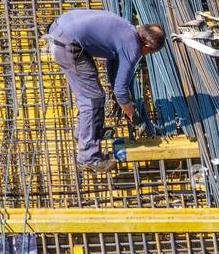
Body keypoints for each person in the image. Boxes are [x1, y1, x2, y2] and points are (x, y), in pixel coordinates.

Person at [45, 10, 166, 175]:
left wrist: (122, 100)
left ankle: (84, 134)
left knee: (89, 96)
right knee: (93, 99)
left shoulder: (127, 31)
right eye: (149, 53)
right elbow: (120, 90)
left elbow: (113, 67)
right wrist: (130, 110)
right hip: (68, 44)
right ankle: (88, 157)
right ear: (147, 46)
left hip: (61, 32)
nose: (144, 55)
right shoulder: (133, 47)